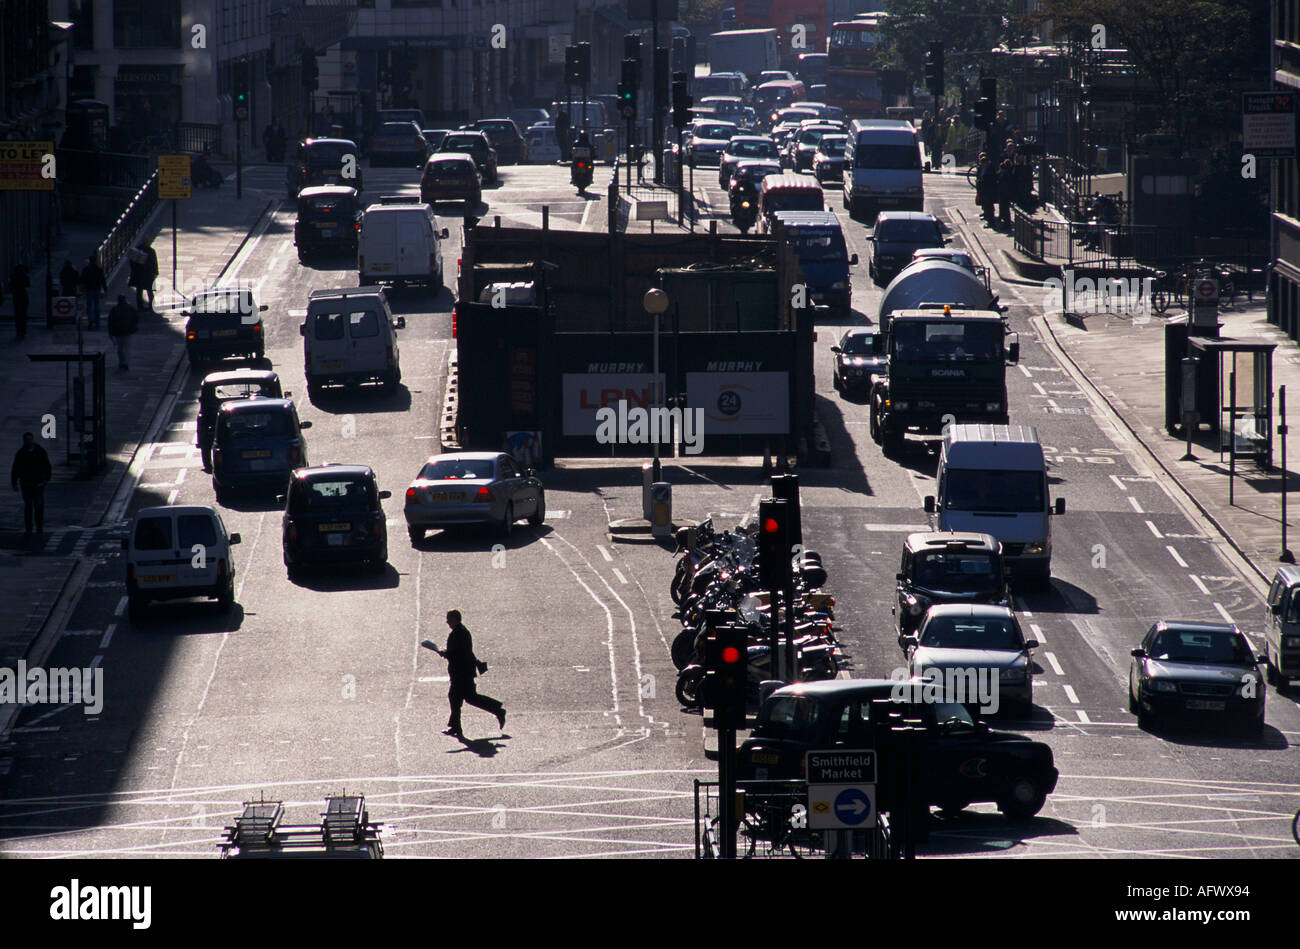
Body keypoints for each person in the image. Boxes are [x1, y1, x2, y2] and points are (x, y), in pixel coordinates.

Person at [426, 610, 506, 738]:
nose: (447, 622)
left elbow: (458, 654)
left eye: (449, 619)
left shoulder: (459, 634)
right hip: (463, 672)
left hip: (462, 673)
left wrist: (443, 652)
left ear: (456, 619)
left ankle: (496, 711)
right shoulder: (461, 632)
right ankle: (456, 726)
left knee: (458, 697)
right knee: (462, 698)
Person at [11, 431, 52, 538]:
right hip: (27, 484)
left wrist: (46, 478)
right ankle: (29, 528)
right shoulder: (21, 453)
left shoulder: (39, 451)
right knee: (29, 506)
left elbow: (47, 465)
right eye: (27, 440)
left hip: (38, 483)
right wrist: (14, 482)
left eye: (30, 439)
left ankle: (38, 527)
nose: (29, 441)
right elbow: (16, 469)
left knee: (38, 506)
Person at [107, 294, 139, 370]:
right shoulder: (130, 309)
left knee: (120, 348)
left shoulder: (114, 309)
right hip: (128, 331)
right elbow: (136, 318)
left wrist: (111, 333)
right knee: (127, 347)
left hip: (118, 331)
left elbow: (110, 322)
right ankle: (126, 363)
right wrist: (133, 327)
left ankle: (122, 362)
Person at [128, 240, 159, 310]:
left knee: (139, 290)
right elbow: (154, 262)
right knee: (150, 291)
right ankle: (151, 306)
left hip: (138, 274)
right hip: (148, 274)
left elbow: (131, 262)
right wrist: (156, 272)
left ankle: (140, 306)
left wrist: (133, 271)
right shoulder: (151, 251)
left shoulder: (137, 250)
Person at [80, 254, 106, 330]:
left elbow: (82, 280)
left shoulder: (86, 269)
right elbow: (103, 280)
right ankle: (97, 322)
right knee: (97, 306)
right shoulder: (99, 269)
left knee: (90, 306)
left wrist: (82, 288)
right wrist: (105, 289)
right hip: (97, 289)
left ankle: (90, 321)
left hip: (89, 289)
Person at [8, 264, 30, 340]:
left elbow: (10, 288)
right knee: (23, 315)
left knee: (18, 315)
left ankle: (18, 331)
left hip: (16, 297)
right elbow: (28, 284)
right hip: (23, 297)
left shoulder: (14, 277)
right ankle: (23, 331)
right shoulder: (24, 276)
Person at [976, 154, 997, 224]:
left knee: (989, 205)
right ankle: (987, 216)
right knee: (985, 203)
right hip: (983, 189)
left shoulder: (990, 169)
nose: (983, 165)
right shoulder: (981, 168)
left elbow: (990, 179)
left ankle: (990, 220)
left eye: (984, 163)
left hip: (988, 190)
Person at [997, 158, 1014, 228]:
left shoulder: (1005, 175)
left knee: (1005, 209)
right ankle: (1005, 221)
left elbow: (1004, 184)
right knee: (1004, 208)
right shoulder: (1006, 174)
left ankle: (1006, 223)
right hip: (1004, 194)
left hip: (1004, 195)